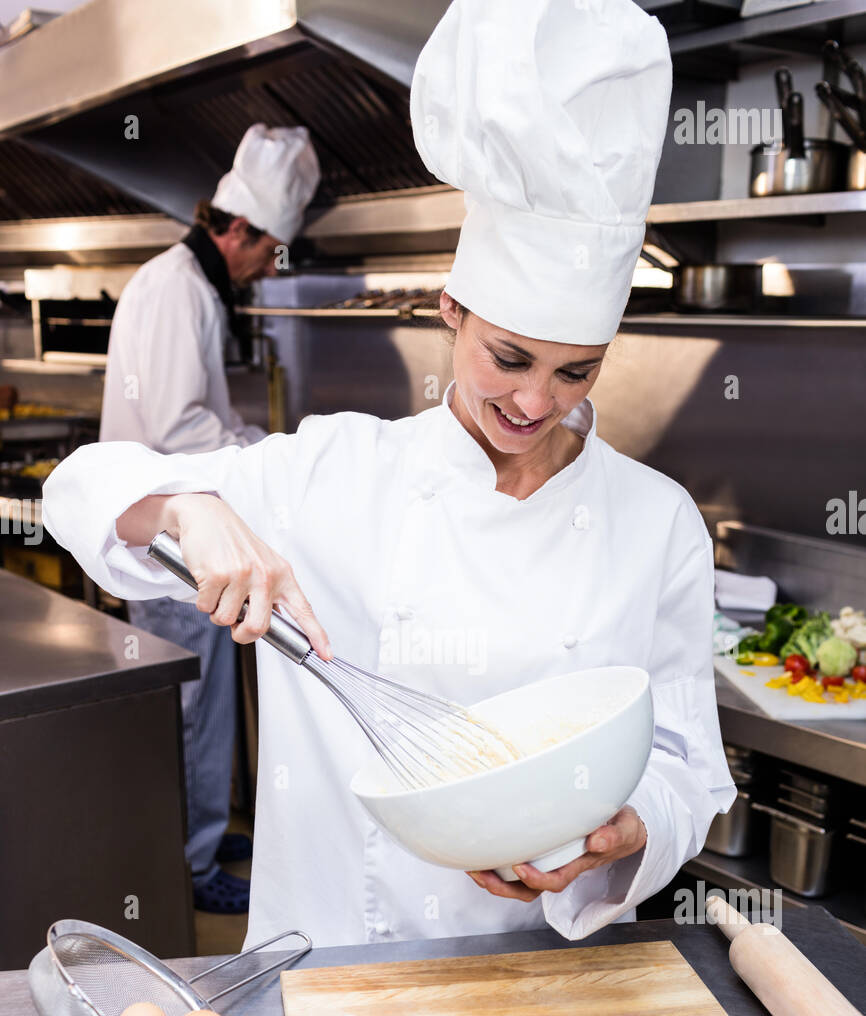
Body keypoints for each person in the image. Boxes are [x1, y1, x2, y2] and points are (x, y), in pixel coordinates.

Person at [43, 0, 736, 950]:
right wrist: (189, 505)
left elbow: (688, 764)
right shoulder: (339, 470)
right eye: (509, 357)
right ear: (451, 311)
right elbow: (78, 486)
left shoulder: (657, 523)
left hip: (540, 981)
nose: (536, 403)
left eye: (575, 370)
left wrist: (630, 831)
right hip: (331, 982)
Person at [99, 125, 320, 913]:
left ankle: (202, 828)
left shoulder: (187, 285)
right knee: (193, 707)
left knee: (203, 702)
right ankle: (191, 867)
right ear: (236, 228)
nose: (269, 265)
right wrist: (260, 454)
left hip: (181, 534)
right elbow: (174, 426)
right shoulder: (174, 289)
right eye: (267, 251)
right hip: (168, 541)